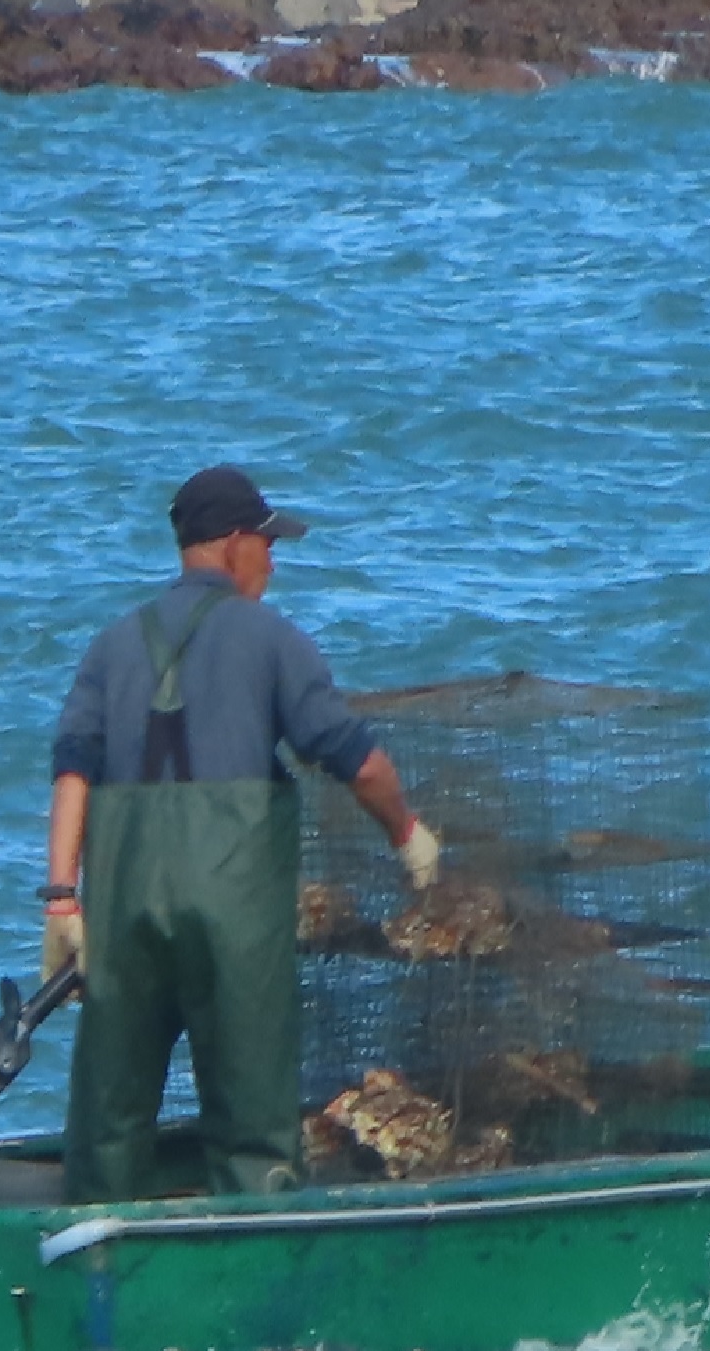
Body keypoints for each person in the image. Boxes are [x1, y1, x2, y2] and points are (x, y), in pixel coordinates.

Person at [41, 466, 440, 1201]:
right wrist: (408, 833)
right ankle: (255, 1252)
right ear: (230, 544)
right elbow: (358, 762)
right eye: (266, 542)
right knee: (250, 1118)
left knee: (110, 1117)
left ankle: (97, 1256)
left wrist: (62, 898)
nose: (273, 560)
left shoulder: (110, 646)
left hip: (123, 916)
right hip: (232, 920)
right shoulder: (272, 640)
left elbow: (73, 772)